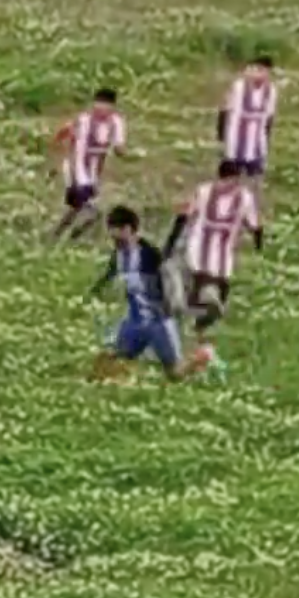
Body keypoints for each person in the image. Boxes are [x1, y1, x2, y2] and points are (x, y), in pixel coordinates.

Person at [161, 159, 262, 376]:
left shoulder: (212, 192)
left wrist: (169, 245)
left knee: (206, 304)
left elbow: (184, 217)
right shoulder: (233, 195)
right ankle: (192, 344)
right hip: (210, 259)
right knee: (210, 303)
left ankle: (193, 339)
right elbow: (254, 225)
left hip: (209, 257)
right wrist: (258, 243)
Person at [86, 206, 199, 384]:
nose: (115, 242)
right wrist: (96, 290)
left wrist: (180, 222)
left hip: (159, 322)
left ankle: (202, 358)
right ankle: (110, 385)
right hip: (135, 321)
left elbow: (167, 254)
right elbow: (111, 271)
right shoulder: (119, 254)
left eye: (118, 236)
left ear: (129, 229)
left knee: (175, 374)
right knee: (108, 358)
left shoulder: (147, 253)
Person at [51, 88, 127, 241]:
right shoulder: (83, 120)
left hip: (93, 172)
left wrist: (126, 153)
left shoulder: (116, 123)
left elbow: (119, 147)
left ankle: (57, 235)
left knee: (76, 207)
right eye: (98, 104)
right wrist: (60, 163)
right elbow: (65, 137)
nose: (101, 108)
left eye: (106, 105)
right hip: (76, 170)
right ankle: (70, 237)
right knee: (92, 210)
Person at [218, 55, 277, 203]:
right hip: (235, 141)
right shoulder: (238, 87)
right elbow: (225, 110)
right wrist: (221, 135)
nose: (256, 74)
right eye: (253, 69)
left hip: (257, 143)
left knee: (254, 179)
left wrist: (266, 139)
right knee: (232, 177)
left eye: (261, 70)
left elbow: (269, 117)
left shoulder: (271, 91)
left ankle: (251, 208)